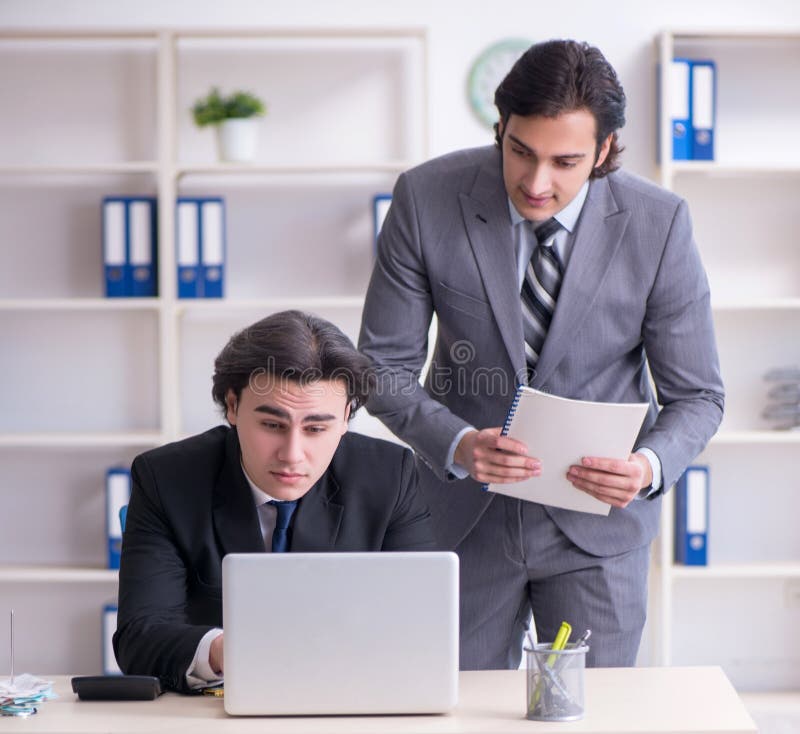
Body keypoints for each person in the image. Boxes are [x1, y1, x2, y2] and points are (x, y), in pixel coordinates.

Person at [359, 39, 724, 669]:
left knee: (590, 716)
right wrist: (456, 443)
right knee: (450, 712)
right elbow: (380, 366)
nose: (536, 182)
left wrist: (646, 467)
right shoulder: (425, 198)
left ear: (605, 150)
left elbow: (698, 396)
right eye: (520, 151)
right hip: (459, 522)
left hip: (599, 530)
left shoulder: (659, 222)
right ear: (500, 128)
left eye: (565, 161)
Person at [114, 310, 436, 692]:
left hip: (348, 702)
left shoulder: (391, 475)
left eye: (316, 428)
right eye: (272, 425)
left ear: (347, 416)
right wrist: (221, 651)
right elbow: (139, 637)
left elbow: (423, 626)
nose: (293, 454)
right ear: (233, 406)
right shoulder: (166, 479)